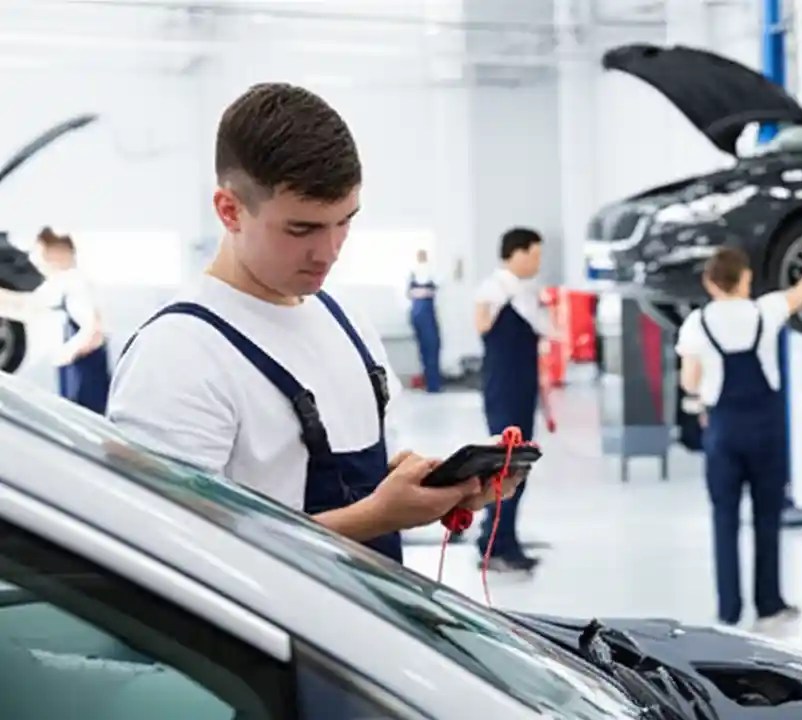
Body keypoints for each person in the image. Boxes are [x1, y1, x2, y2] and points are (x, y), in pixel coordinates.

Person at [107, 82, 514, 563]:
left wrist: (434, 489)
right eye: (302, 229)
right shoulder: (178, 355)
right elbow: (173, 552)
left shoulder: (346, 322)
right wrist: (377, 516)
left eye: (345, 221)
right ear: (229, 210)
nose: (330, 250)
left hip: (367, 625)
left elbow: (367, 478)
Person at [676, 240, 802, 632]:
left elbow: (689, 380)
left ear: (709, 283)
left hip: (724, 431)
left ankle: (728, 611)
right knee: (767, 518)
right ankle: (769, 604)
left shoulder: (697, 323)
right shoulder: (765, 310)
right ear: (746, 278)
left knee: (724, 519)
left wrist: (698, 404)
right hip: (766, 430)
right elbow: (801, 294)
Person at [473, 227, 553, 572]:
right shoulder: (496, 288)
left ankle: (503, 535)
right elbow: (481, 326)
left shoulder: (525, 291)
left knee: (520, 463)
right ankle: (495, 543)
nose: (537, 262)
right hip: (505, 387)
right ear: (516, 253)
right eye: (534, 255)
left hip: (522, 385)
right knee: (507, 462)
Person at [0, 227, 111, 414]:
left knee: (86, 416)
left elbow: (94, 329)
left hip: (84, 369)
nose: (37, 258)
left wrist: (67, 352)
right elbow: (29, 306)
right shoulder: (61, 282)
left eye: (41, 251)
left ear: (57, 249)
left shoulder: (76, 282)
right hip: (73, 368)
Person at [407, 248, 443, 393]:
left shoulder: (431, 272)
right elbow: (411, 293)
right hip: (420, 313)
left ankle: (433, 384)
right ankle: (431, 384)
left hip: (425, 313)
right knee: (426, 349)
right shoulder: (414, 273)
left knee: (432, 347)